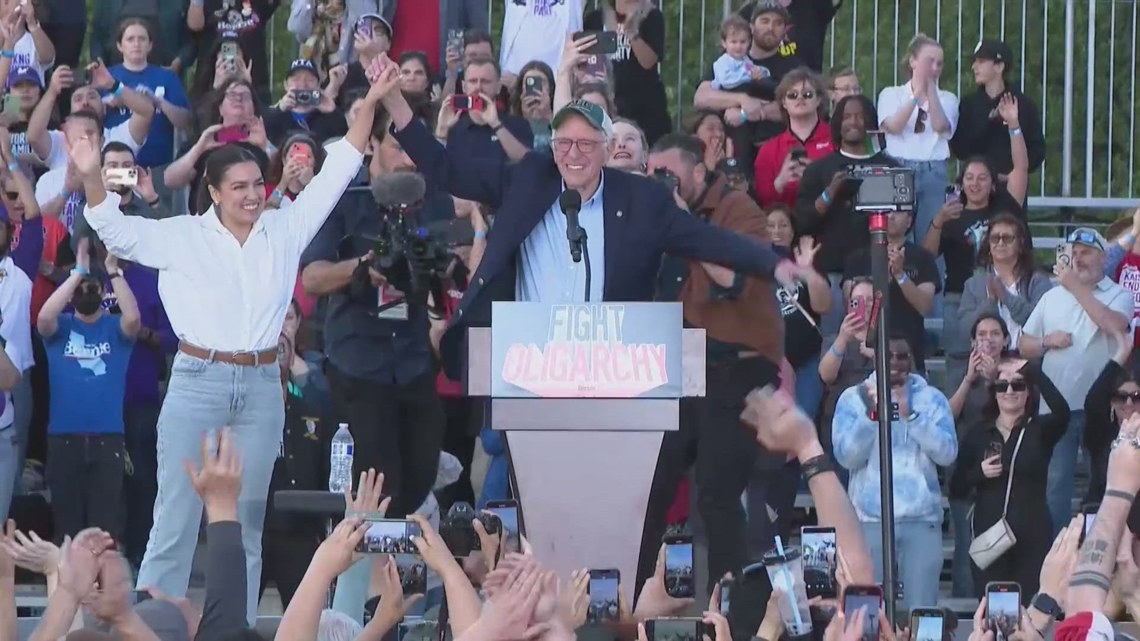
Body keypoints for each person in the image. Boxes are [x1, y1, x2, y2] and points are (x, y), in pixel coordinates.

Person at [76, 56, 392, 624]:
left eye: (257, 185)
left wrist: (368, 105)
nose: (253, 195)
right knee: (175, 516)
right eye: (240, 187)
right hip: (197, 381)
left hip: (261, 384)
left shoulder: (285, 227)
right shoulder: (181, 236)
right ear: (215, 192)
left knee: (245, 523)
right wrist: (89, 174)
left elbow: (340, 168)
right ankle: (152, 628)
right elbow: (114, 228)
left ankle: (233, 629)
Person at [1020, 228, 1135, 535]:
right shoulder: (1052, 295)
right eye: (1075, 251)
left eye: (1086, 251)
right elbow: (1023, 345)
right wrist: (1047, 341)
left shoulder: (1118, 294)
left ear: (1102, 256)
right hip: (1057, 409)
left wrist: (1075, 287)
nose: (1078, 258)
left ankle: (1102, 551)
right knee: (1056, 485)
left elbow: (1114, 325)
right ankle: (1057, 555)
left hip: (1102, 410)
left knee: (1104, 482)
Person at [832, 333, 957, 613]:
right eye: (889, 355)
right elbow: (846, 457)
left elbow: (948, 453)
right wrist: (874, 416)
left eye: (903, 356)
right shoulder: (853, 399)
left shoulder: (933, 399)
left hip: (922, 521)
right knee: (866, 614)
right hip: (868, 522)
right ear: (875, 356)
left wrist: (911, 415)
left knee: (922, 613)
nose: (896, 362)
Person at [37, 240, 140, 541]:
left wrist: (113, 272)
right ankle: (67, 586)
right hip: (63, 439)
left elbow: (133, 319)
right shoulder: (62, 329)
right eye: (81, 289)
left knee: (104, 529)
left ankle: (102, 588)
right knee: (66, 528)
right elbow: (44, 318)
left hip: (107, 440)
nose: (86, 293)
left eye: (92, 288)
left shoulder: (115, 329)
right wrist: (76, 274)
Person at [950, 358, 1069, 600]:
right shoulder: (978, 433)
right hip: (990, 532)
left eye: (1018, 385)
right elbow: (956, 487)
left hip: (1032, 532)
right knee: (993, 607)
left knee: (1029, 606)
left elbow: (1063, 413)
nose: (1010, 391)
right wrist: (979, 474)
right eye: (1002, 386)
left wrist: (1031, 371)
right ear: (993, 393)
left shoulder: (1039, 429)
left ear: (1028, 392)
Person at [876, 34, 959, 241]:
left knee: (931, 232)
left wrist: (930, 91)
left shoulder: (947, 98)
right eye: (929, 61)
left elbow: (941, 125)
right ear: (913, 61)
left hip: (933, 169)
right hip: (897, 166)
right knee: (895, 233)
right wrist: (916, 96)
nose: (935, 68)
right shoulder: (891, 94)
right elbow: (894, 126)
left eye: (939, 63)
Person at [951, 39, 1046, 176]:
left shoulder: (1023, 104)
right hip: (977, 188)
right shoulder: (969, 104)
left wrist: (1015, 174)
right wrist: (988, 123)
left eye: (981, 62)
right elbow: (959, 149)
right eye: (975, 61)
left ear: (999, 66)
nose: (974, 67)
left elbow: (1037, 149)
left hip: (1011, 188)